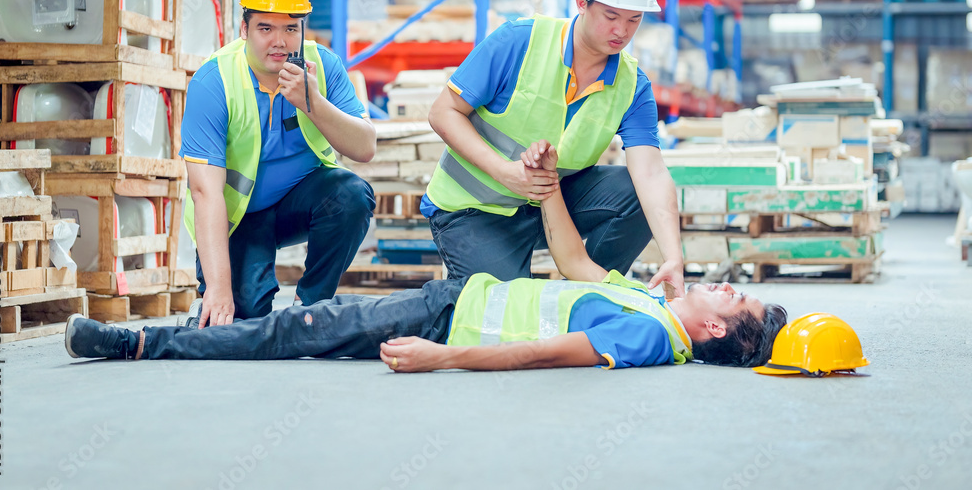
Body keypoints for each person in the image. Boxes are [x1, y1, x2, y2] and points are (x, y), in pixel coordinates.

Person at [65, 141, 787, 372]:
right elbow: (569, 259)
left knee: (299, 330)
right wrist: (543, 186)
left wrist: (444, 360)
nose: (724, 286)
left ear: (719, 329)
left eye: (733, 298)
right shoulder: (651, 305)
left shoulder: (648, 336)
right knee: (309, 325)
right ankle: (152, 340)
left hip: (450, 325)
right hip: (461, 298)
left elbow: (542, 352)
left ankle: (139, 342)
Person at [422, 0, 686, 294]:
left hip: (550, 206)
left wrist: (673, 256)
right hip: (474, 209)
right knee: (505, 313)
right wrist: (505, 172)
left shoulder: (632, 85)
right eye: (610, 15)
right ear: (581, 2)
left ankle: (590, 294)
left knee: (634, 192)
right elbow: (442, 112)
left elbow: (651, 173)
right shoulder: (521, 40)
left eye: (633, 19)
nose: (621, 30)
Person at [180, 0, 376, 328]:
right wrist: (219, 290)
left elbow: (365, 148)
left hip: (296, 203)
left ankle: (311, 309)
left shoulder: (323, 66)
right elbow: (205, 192)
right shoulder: (214, 81)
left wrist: (312, 103)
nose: (280, 41)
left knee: (352, 194)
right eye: (265, 28)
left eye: (290, 28)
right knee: (242, 314)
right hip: (239, 217)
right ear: (244, 29)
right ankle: (221, 290)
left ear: (303, 28)